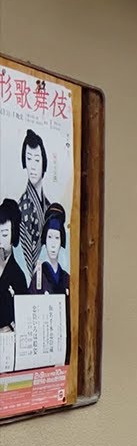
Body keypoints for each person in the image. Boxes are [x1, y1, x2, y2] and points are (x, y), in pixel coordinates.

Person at [18, 129, 52, 282]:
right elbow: (26, 260)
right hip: (33, 281)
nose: (32, 166)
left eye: (37, 160)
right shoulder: (23, 208)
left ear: (44, 162)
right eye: (29, 159)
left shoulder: (49, 207)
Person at [0, 199, 28, 332]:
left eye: (5, 234)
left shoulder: (18, 277)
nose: (0, 240)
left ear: (13, 236)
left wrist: (11, 327)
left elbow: (24, 319)